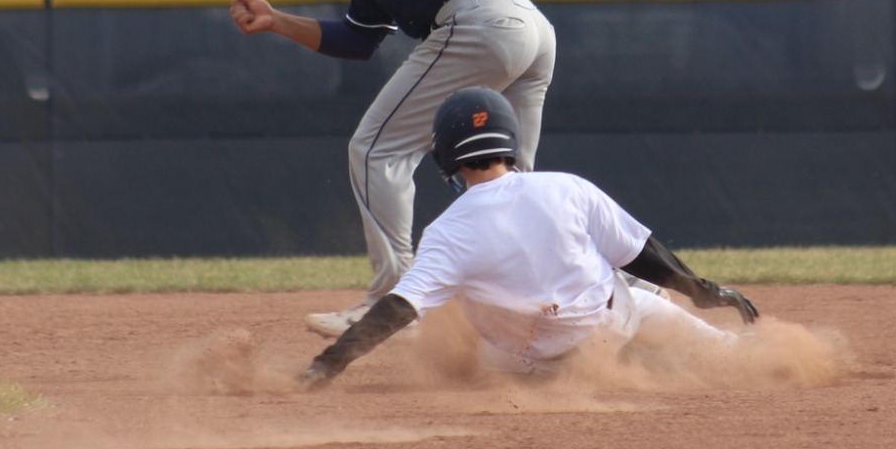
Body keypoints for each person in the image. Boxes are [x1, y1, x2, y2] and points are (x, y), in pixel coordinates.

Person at [195, 0, 557, 338]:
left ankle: (396, 300)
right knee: (507, 188)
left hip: (482, 24)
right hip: (521, 24)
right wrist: (278, 21)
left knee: (376, 149)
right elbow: (358, 38)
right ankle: (585, 294)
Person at [296, 87, 758, 389]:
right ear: (510, 142)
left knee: (453, 303)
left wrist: (327, 364)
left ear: (445, 155)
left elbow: (398, 309)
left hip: (529, 368)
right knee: (643, 296)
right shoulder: (566, 187)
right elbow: (643, 256)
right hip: (610, 326)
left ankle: (637, 368)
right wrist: (706, 292)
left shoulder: (447, 232)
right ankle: (721, 356)